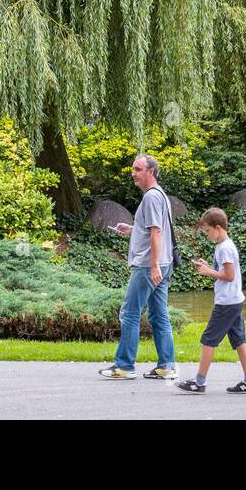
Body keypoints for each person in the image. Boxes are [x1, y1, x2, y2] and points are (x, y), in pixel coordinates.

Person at [99, 154, 177, 380]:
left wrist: (153, 266)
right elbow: (152, 229)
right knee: (159, 315)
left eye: (138, 169)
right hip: (164, 262)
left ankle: (124, 366)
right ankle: (167, 366)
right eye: (133, 169)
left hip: (148, 265)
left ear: (150, 171)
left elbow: (157, 232)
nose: (133, 173)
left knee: (130, 313)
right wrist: (132, 229)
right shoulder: (160, 195)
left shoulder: (151, 198)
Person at [176, 207, 246, 394]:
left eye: (207, 231)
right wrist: (208, 267)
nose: (207, 235)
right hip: (234, 301)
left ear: (218, 227)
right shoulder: (225, 246)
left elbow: (229, 275)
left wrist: (207, 271)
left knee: (208, 340)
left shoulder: (224, 248)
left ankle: (199, 382)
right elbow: (226, 273)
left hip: (226, 303)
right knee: (239, 341)